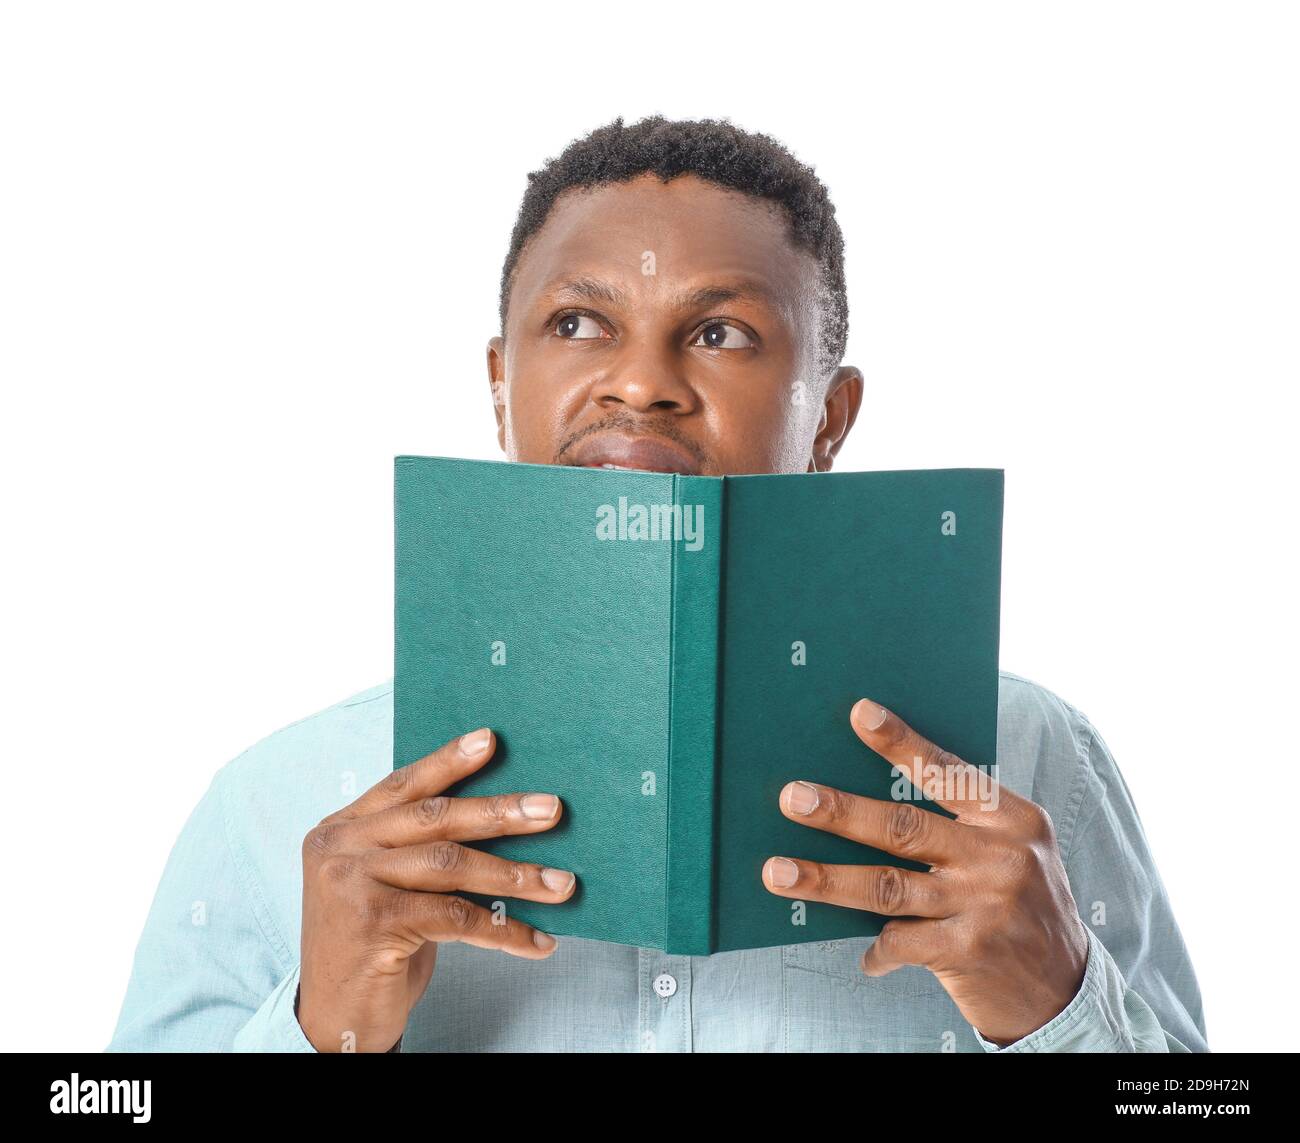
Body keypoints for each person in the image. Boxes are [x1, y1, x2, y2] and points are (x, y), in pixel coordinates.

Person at [106, 116, 1207, 1053]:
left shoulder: (1026, 767)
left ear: (828, 416)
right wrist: (322, 1024)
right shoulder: (283, 798)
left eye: (720, 332)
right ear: (500, 386)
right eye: (578, 324)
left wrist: (1060, 1014)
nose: (638, 383)